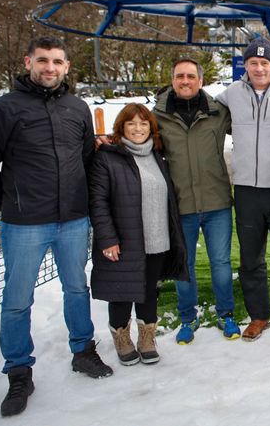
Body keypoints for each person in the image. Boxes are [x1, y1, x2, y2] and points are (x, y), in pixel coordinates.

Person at [0, 37, 112, 418]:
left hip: (73, 219)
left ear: (67, 67)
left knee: (77, 287)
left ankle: (83, 350)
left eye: (57, 61)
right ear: (28, 62)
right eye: (42, 60)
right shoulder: (2, 110)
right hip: (25, 222)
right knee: (17, 298)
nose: (50, 68)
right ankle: (19, 369)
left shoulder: (78, 108)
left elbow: (88, 158)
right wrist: (9, 203)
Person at [217, 37, 270, 346]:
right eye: (253, 62)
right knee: (251, 258)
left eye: (264, 63)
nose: (258, 68)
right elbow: (202, 111)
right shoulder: (231, 94)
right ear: (246, 66)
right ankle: (258, 315)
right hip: (246, 191)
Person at [89, 103, 189, 366]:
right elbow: (98, 201)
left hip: (158, 240)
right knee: (121, 292)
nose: (138, 128)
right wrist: (107, 238)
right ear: (121, 127)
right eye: (131, 123)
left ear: (151, 128)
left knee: (148, 291)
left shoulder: (158, 157)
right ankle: (122, 339)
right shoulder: (108, 157)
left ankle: (147, 338)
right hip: (124, 240)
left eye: (143, 123)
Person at [154, 58, 240, 344]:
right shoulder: (159, 115)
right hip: (182, 205)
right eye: (180, 76)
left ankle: (226, 313)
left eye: (191, 76)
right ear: (173, 79)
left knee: (220, 262)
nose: (186, 81)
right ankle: (188, 318)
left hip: (216, 203)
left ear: (201, 81)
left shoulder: (218, 111)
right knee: (184, 266)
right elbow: (136, 137)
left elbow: (251, 120)